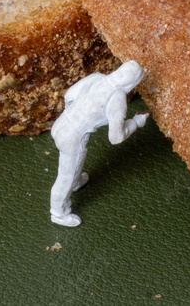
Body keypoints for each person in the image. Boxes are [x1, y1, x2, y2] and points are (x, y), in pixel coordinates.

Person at [49, 60, 149, 227]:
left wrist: (74, 116)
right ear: (133, 83)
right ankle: (58, 213)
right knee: (65, 177)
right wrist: (136, 123)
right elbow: (116, 137)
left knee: (71, 171)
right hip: (72, 139)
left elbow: (69, 96)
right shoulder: (117, 99)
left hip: (60, 124)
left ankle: (76, 181)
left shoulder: (96, 78)